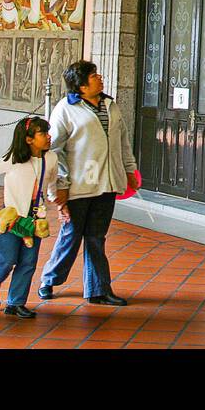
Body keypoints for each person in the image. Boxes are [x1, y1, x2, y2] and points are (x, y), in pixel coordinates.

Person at [38, 61, 138, 306]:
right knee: (71, 236)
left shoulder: (110, 105)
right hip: (78, 184)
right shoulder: (66, 109)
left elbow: (122, 141)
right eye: (93, 75)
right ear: (81, 85)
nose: (99, 77)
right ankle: (49, 279)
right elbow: (55, 149)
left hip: (107, 182)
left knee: (96, 237)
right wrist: (60, 183)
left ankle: (98, 290)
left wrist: (129, 169)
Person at [0, 116, 59, 318]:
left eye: (47, 133)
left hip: (35, 221)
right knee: (7, 259)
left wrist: (58, 201)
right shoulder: (14, 159)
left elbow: (52, 181)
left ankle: (16, 302)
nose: (48, 137)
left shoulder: (50, 158)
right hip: (12, 218)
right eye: (43, 134)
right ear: (28, 139)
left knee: (28, 262)